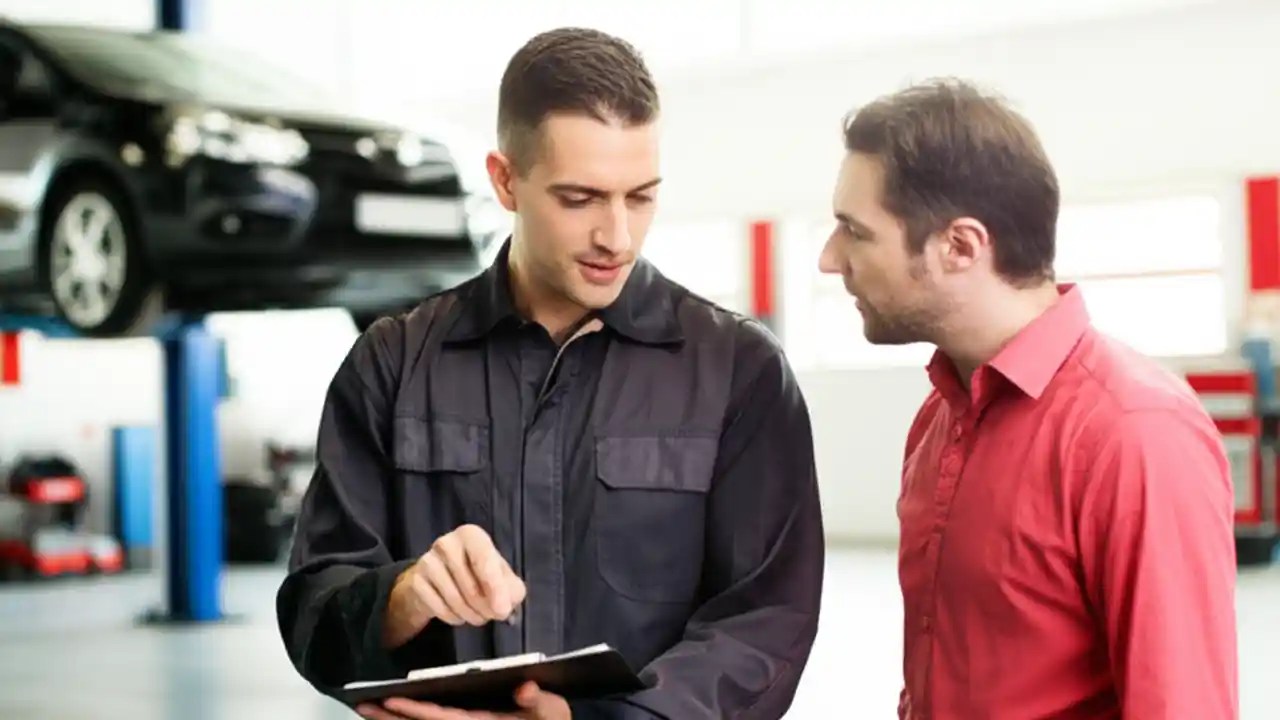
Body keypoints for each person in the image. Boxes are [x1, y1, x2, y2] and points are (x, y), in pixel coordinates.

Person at [276, 26, 825, 720]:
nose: (616, 236)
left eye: (641, 196)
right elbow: (312, 608)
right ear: (505, 181)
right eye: (580, 199)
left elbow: (765, 626)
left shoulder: (740, 372)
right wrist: (399, 599)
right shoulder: (391, 365)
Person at [819, 78, 1238, 719]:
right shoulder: (941, 415)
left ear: (959, 247)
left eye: (855, 232)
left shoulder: (1135, 434)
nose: (829, 258)